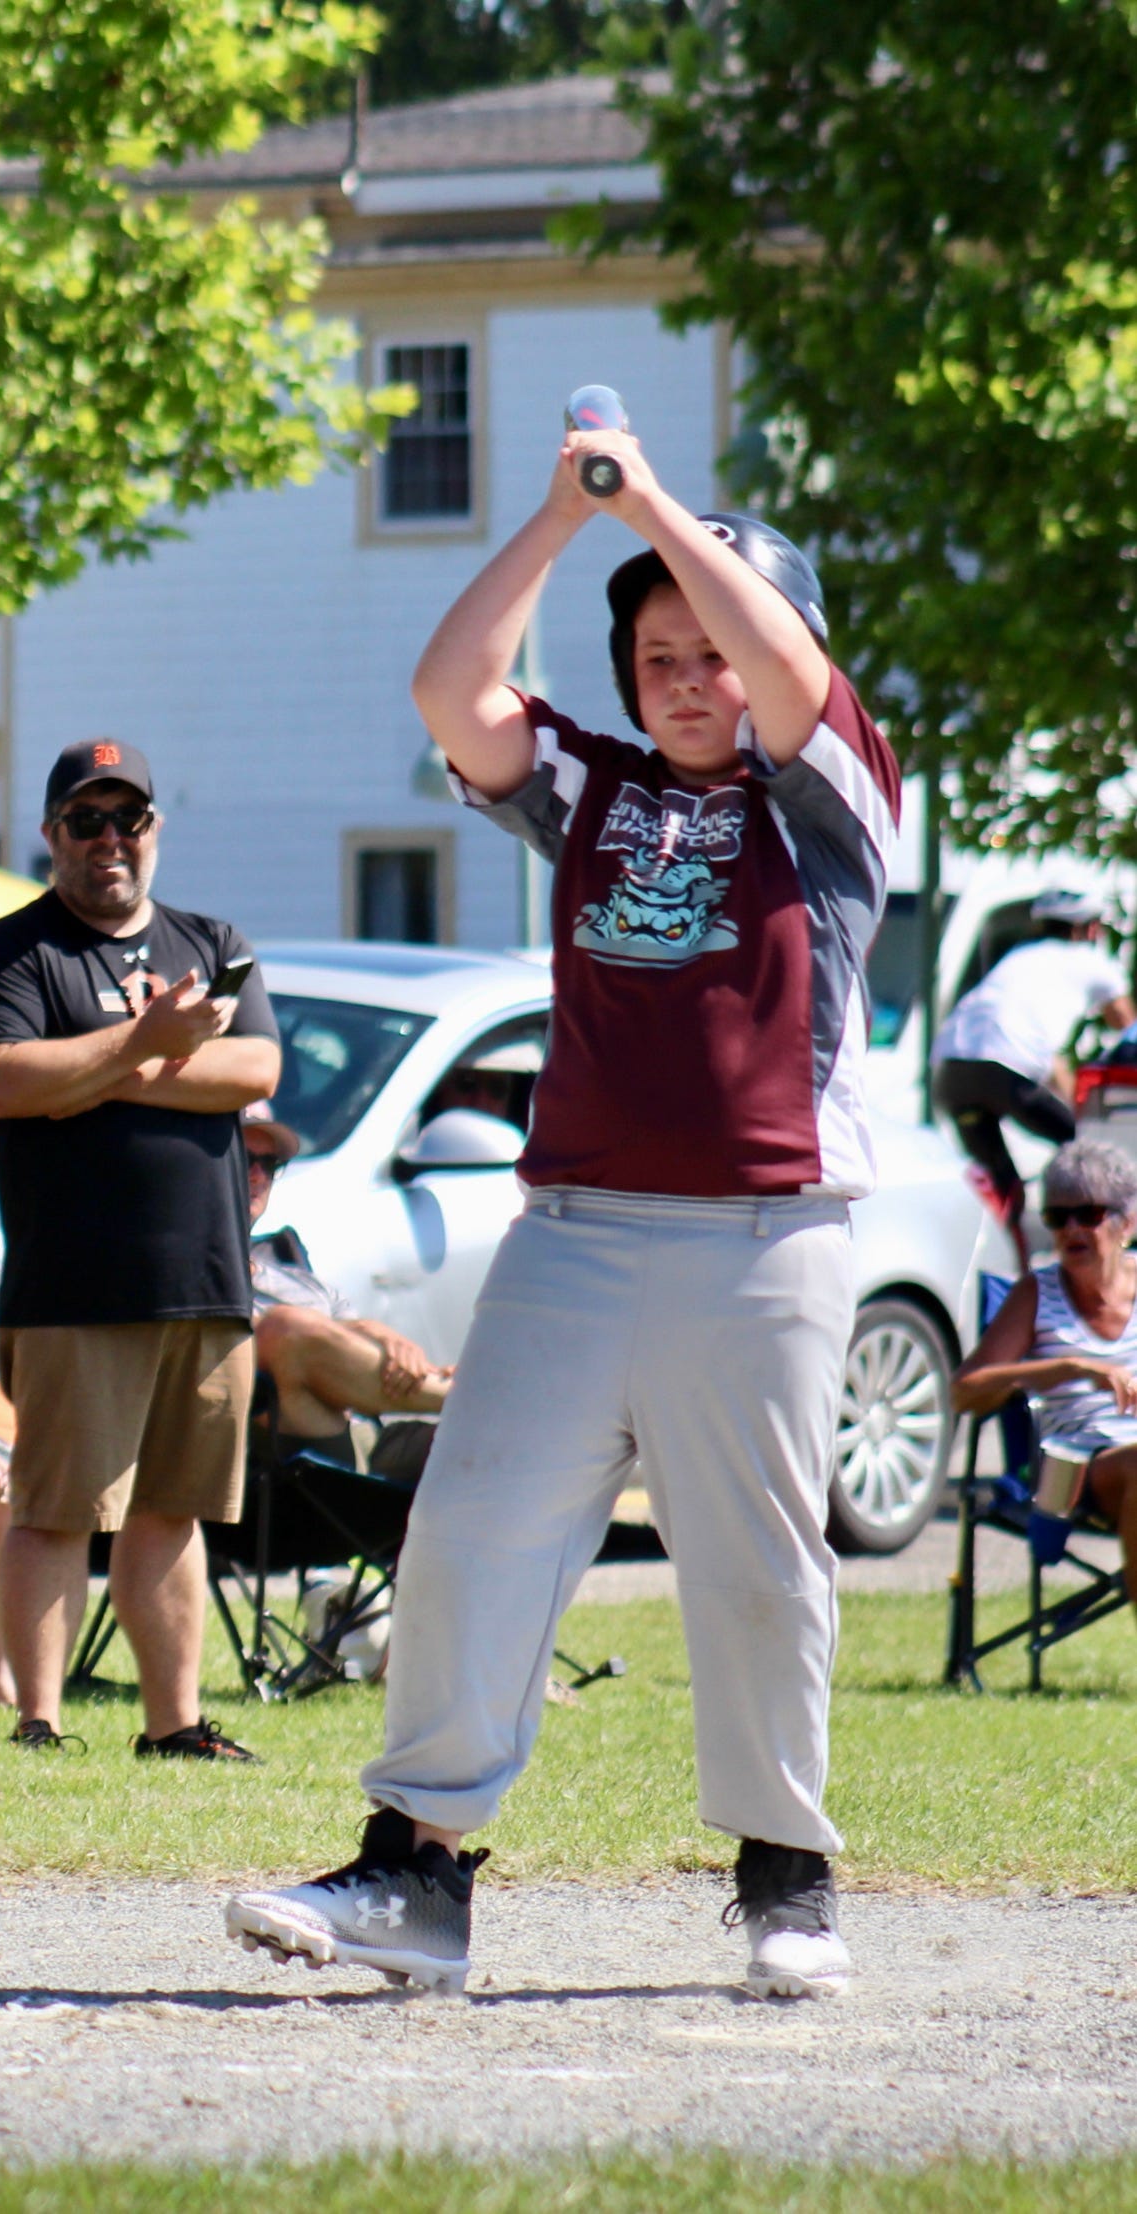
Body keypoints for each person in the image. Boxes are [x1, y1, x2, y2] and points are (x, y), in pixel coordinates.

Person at [225, 424, 900, 2002]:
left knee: (750, 1560)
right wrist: (550, 518)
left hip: (761, 1230)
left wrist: (656, 504)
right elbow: (448, 695)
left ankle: (782, 1881)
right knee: (469, 1529)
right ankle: (414, 1875)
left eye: (713, 646)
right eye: (655, 651)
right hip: (575, 1231)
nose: (687, 674)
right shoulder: (589, 786)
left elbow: (784, 683)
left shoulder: (832, 801)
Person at [0, 737, 281, 1761]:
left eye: (129, 819)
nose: (109, 840)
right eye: (85, 821)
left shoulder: (217, 941)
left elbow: (253, 1068)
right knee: (56, 1512)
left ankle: (174, 1727)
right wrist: (149, 1045)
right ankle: (39, 1724)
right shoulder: (14, 951)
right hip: (72, 1283)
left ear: (155, 830)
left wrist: (106, 1070)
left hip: (202, 1280)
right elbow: (8, 1079)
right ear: (49, 834)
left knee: (174, 1510)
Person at [952, 1139, 1137, 1613]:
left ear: (1127, 1223)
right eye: (1058, 1218)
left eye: (1088, 1214)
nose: (1071, 1229)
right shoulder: (1036, 1293)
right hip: (1077, 1473)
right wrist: (1068, 1368)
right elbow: (965, 1391)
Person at [243, 1104, 452, 1454]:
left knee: (498, 1446)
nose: (258, 1176)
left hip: (373, 1437)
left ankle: (474, 1401)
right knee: (284, 1327)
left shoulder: (297, 1276)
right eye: (243, 1159)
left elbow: (347, 1340)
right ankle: (471, 1397)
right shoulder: (189, 1270)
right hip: (307, 1452)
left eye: (269, 1164)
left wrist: (380, 1336)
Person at [934, 891, 1133, 1249]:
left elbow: (1047, 1058)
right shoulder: (1092, 959)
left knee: (1002, 1184)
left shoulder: (1017, 958)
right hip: (1004, 1070)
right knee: (1090, 1155)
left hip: (951, 1073)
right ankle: (1104, 1254)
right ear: (1087, 929)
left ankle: (1008, 1265)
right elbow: (1127, 1026)